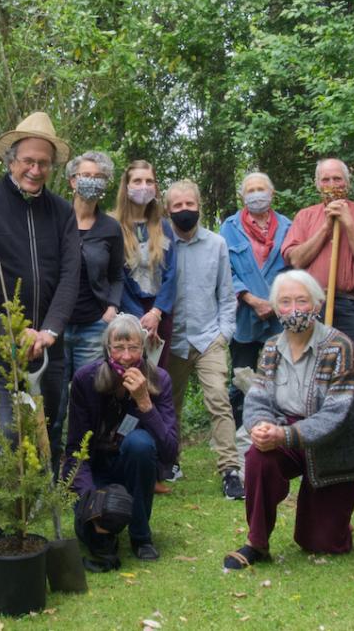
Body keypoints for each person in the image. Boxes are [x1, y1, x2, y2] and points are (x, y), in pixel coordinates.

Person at [0, 112, 80, 596]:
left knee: (45, 442)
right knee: (4, 438)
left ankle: (30, 541)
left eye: (44, 163)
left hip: (47, 351)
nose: (35, 169)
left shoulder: (62, 213)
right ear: (11, 159)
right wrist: (7, 334)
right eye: (28, 160)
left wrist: (48, 330)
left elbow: (70, 277)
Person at [222, 270, 354, 571]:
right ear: (276, 308)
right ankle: (256, 543)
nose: (294, 309)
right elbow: (259, 397)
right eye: (285, 302)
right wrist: (261, 426)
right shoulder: (273, 347)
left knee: (320, 543)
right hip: (286, 431)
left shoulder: (340, 347)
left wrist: (284, 435)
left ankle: (335, 520)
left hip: (334, 446)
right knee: (258, 455)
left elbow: (335, 416)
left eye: (302, 300)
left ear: (317, 303)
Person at [281, 158, 354, 476]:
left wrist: (348, 223)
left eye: (337, 180)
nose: (331, 186)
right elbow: (296, 258)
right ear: (317, 185)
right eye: (325, 181)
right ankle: (312, 448)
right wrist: (326, 227)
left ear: (348, 183)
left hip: (351, 306)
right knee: (312, 377)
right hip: (313, 306)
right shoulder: (305, 217)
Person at [64, 315, 179, 571]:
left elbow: (169, 451)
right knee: (94, 537)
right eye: (118, 347)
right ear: (107, 349)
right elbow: (75, 449)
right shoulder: (85, 378)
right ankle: (102, 527)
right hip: (95, 468)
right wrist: (89, 502)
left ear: (144, 348)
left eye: (133, 348)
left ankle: (141, 536)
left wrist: (144, 402)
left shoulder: (160, 379)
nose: (126, 357)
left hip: (132, 466)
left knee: (140, 443)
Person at [164, 180, 242, 500]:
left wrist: (225, 333)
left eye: (190, 205)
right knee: (170, 406)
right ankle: (170, 461)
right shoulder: (161, 244)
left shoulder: (217, 244)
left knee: (219, 400)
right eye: (177, 206)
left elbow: (227, 293)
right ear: (168, 210)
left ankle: (230, 471)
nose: (185, 211)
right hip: (172, 338)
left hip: (208, 336)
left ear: (199, 205)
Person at [112, 160, 179, 489]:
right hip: (128, 315)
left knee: (155, 384)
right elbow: (116, 278)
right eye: (137, 180)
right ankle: (124, 459)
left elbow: (172, 275)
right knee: (125, 385)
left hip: (159, 316)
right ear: (126, 186)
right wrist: (138, 315)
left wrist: (157, 313)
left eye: (149, 180)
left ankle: (157, 467)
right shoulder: (113, 226)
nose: (144, 186)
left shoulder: (164, 227)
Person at [221, 172, 291, 432]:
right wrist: (251, 299)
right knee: (241, 377)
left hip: (280, 316)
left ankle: (281, 427)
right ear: (242, 196)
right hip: (244, 317)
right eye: (250, 190)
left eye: (261, 188)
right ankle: (240, 433)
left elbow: (296, 269)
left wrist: (274, 302)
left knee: (281, 375)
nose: (256, 194)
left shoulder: (288, 227)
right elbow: (225, 269)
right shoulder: (229, 227)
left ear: (272, 193)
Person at [63, 151, 125, 383]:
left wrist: (112, 308)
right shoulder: (57, 220)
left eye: (98, 176)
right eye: (86, 175)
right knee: (53, 401)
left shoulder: (110, 228)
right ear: (73, 180)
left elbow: (117, 275)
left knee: (88, 395)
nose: (92, 180)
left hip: (93, 325)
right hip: (56, 327)